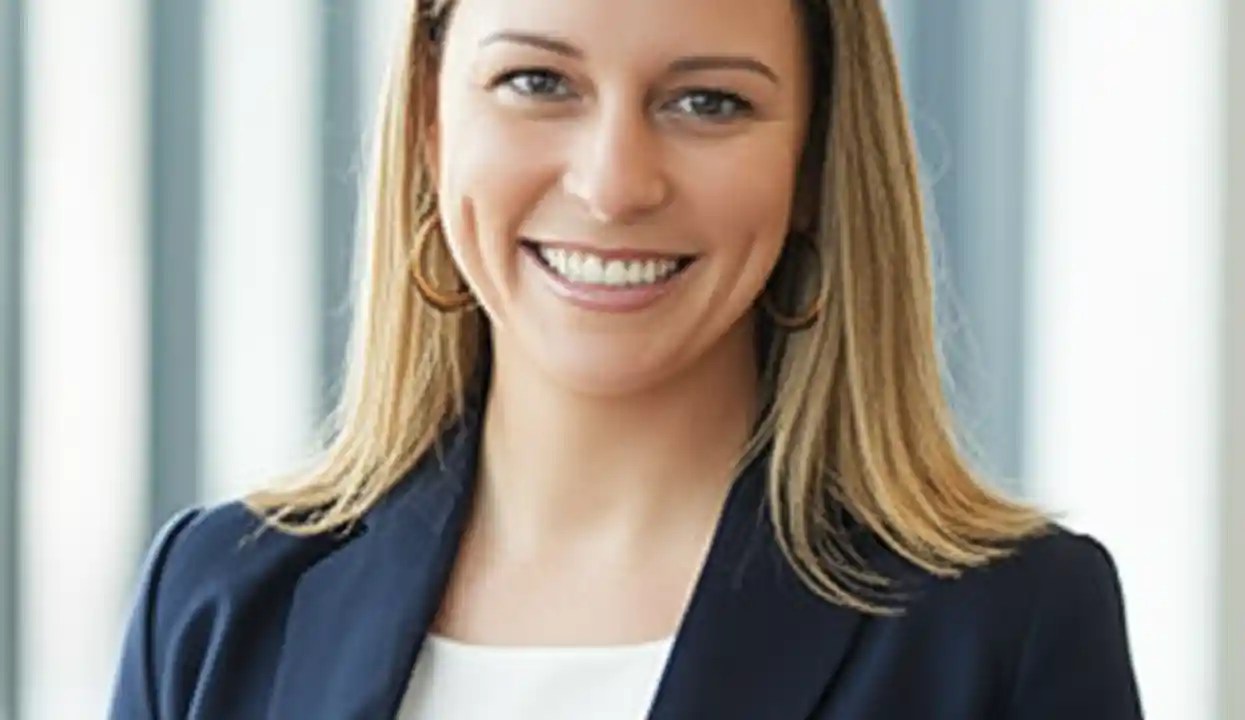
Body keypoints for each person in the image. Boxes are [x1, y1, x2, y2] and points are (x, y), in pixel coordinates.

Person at [109, 0, 1145, 717]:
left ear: (814, 158)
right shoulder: (214, 602)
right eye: (534, 81)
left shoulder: (1002, 627)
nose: (612, 185)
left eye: (706, 102)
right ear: (431, 120)